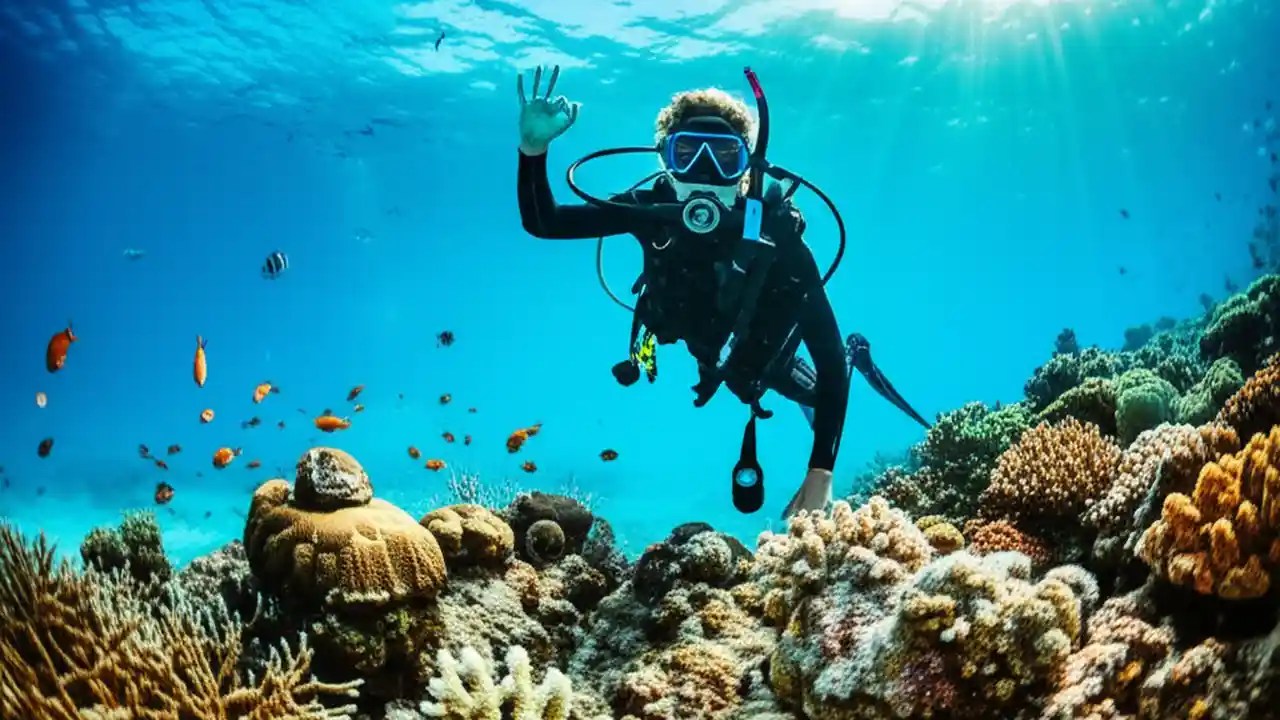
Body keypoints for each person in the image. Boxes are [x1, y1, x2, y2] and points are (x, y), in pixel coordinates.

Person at [514, 64, 927, 518]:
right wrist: (532, 151)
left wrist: (820, 474)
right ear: (664, 161)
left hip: (762, 357)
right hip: (702, 344)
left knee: (810, 391)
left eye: (724, 157)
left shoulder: (777, 236)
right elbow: (545, 221)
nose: (706, 173)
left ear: (746, 168)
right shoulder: (649, 211)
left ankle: (860, 357)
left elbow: (827, 365)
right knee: (740, 376)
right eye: (687, 153)